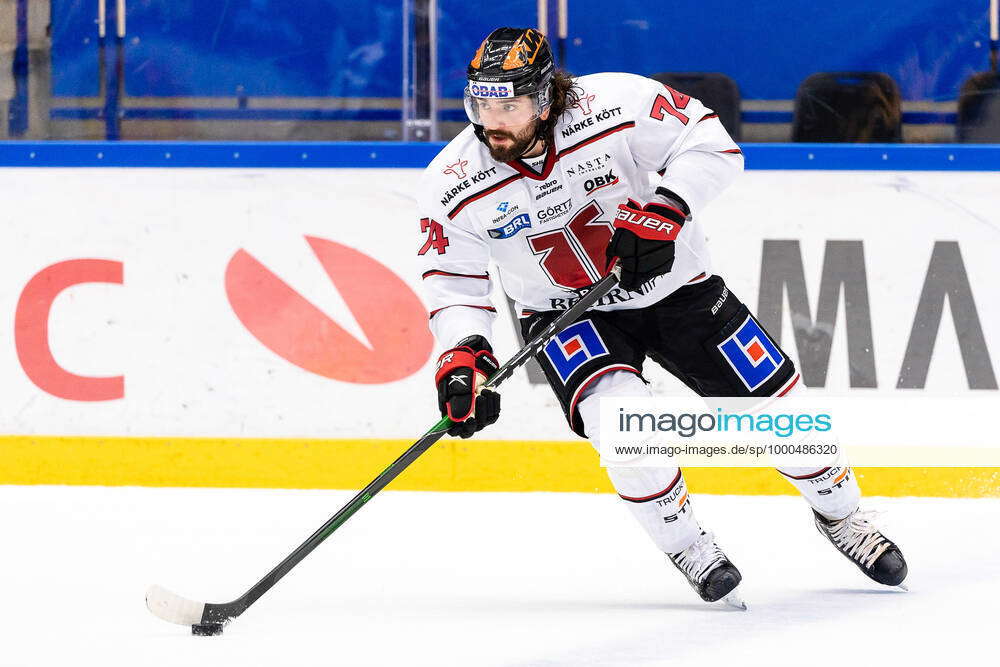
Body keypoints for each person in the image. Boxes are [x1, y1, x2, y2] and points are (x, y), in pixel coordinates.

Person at [416, 27, 907, 604]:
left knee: (784, 418)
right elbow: (453, 282)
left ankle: (842, 515)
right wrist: (463, 355)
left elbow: (712, 145)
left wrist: (665, 211)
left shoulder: (616, 103)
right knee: (623, 428)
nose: (492, 119)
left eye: (510, 103)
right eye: (481, 103)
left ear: (545, 96)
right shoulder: (451, 182)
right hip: (565, 314)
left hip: (677, 290)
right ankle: (686, 544)